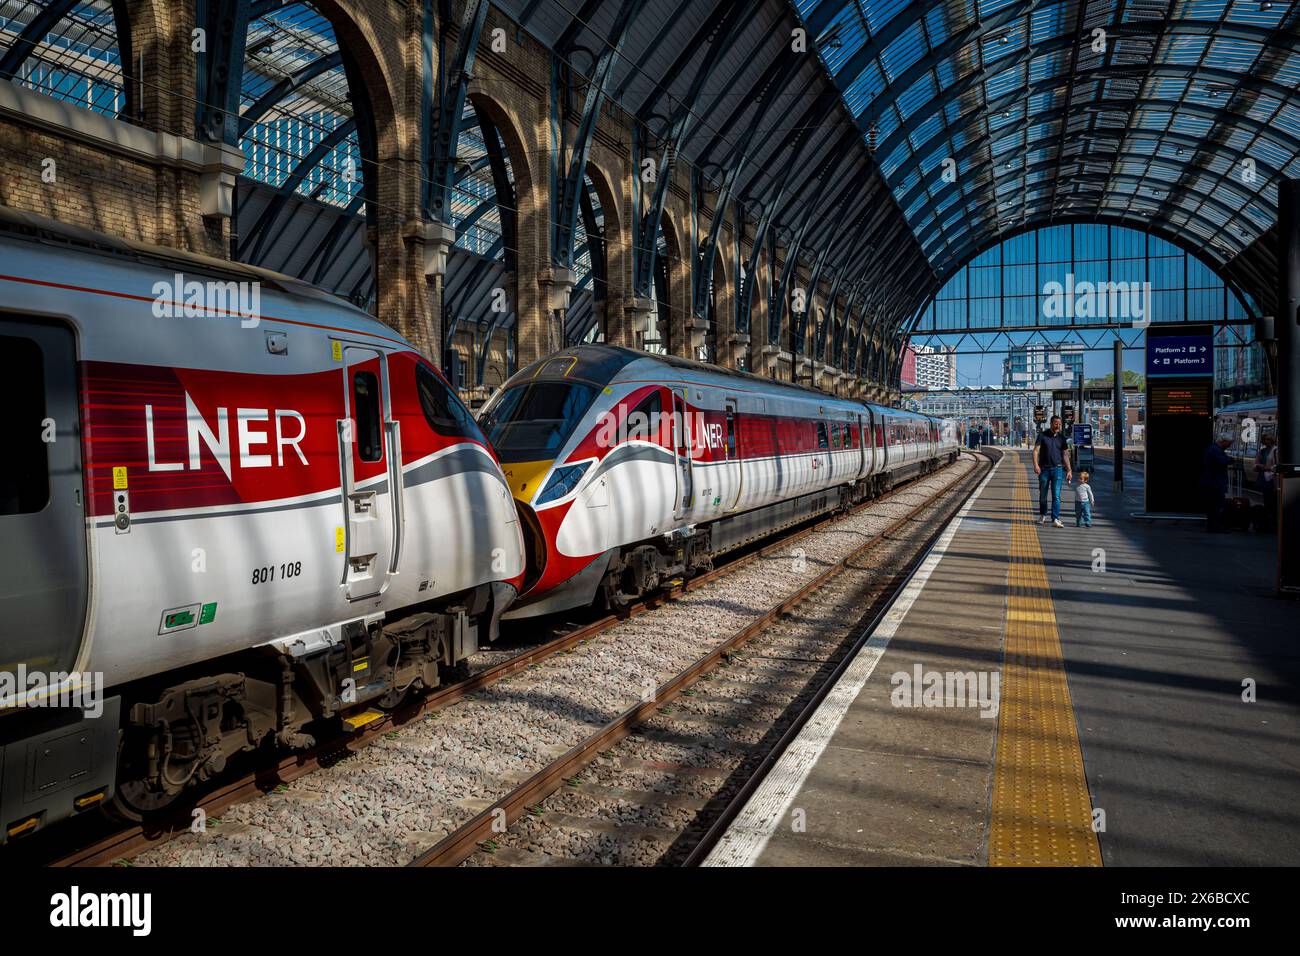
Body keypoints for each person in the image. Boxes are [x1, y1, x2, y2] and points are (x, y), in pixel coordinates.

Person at [1033, 415, 1072, 528]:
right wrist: (1036, 465)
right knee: (1043, 495)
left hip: (1058, 469)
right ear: (1051, 423)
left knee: (1056, 495)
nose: (1058, 425)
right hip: (1044, 469)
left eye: (1059, 424)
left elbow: (1065, 454)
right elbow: (1036, 451)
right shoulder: (1042, 435)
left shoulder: (1062, 438)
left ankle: (1055, 518)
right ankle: (1042, 515)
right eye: (1056, 423)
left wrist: (1069, 470)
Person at [1200, 435, 1233, 533]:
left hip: (1211, 481)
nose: (1229, 445)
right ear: (1223, 441)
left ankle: (1213, 526)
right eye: (1229, 443)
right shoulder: (1216, 450)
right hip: (1214, 482)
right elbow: (1223, 460)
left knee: (1213, 506)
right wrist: (1230, 460)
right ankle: (1215, 527)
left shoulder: (1212, 448)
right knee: (1216, 505)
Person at [1255, 434, 1279, 532]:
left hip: (1272, 479)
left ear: (1272, 440)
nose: (1267, 441)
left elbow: (1277, 466)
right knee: (1267, 501)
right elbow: (1255, 465)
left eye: (1269, 439)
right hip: (1263, 478)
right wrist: (1260, 466)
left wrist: (1266, 467)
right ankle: (1267, 523)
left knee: (1273, 501)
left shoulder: (1276, 450)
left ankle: (1273, 523)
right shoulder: (1262, 451)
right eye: (1265, 439)